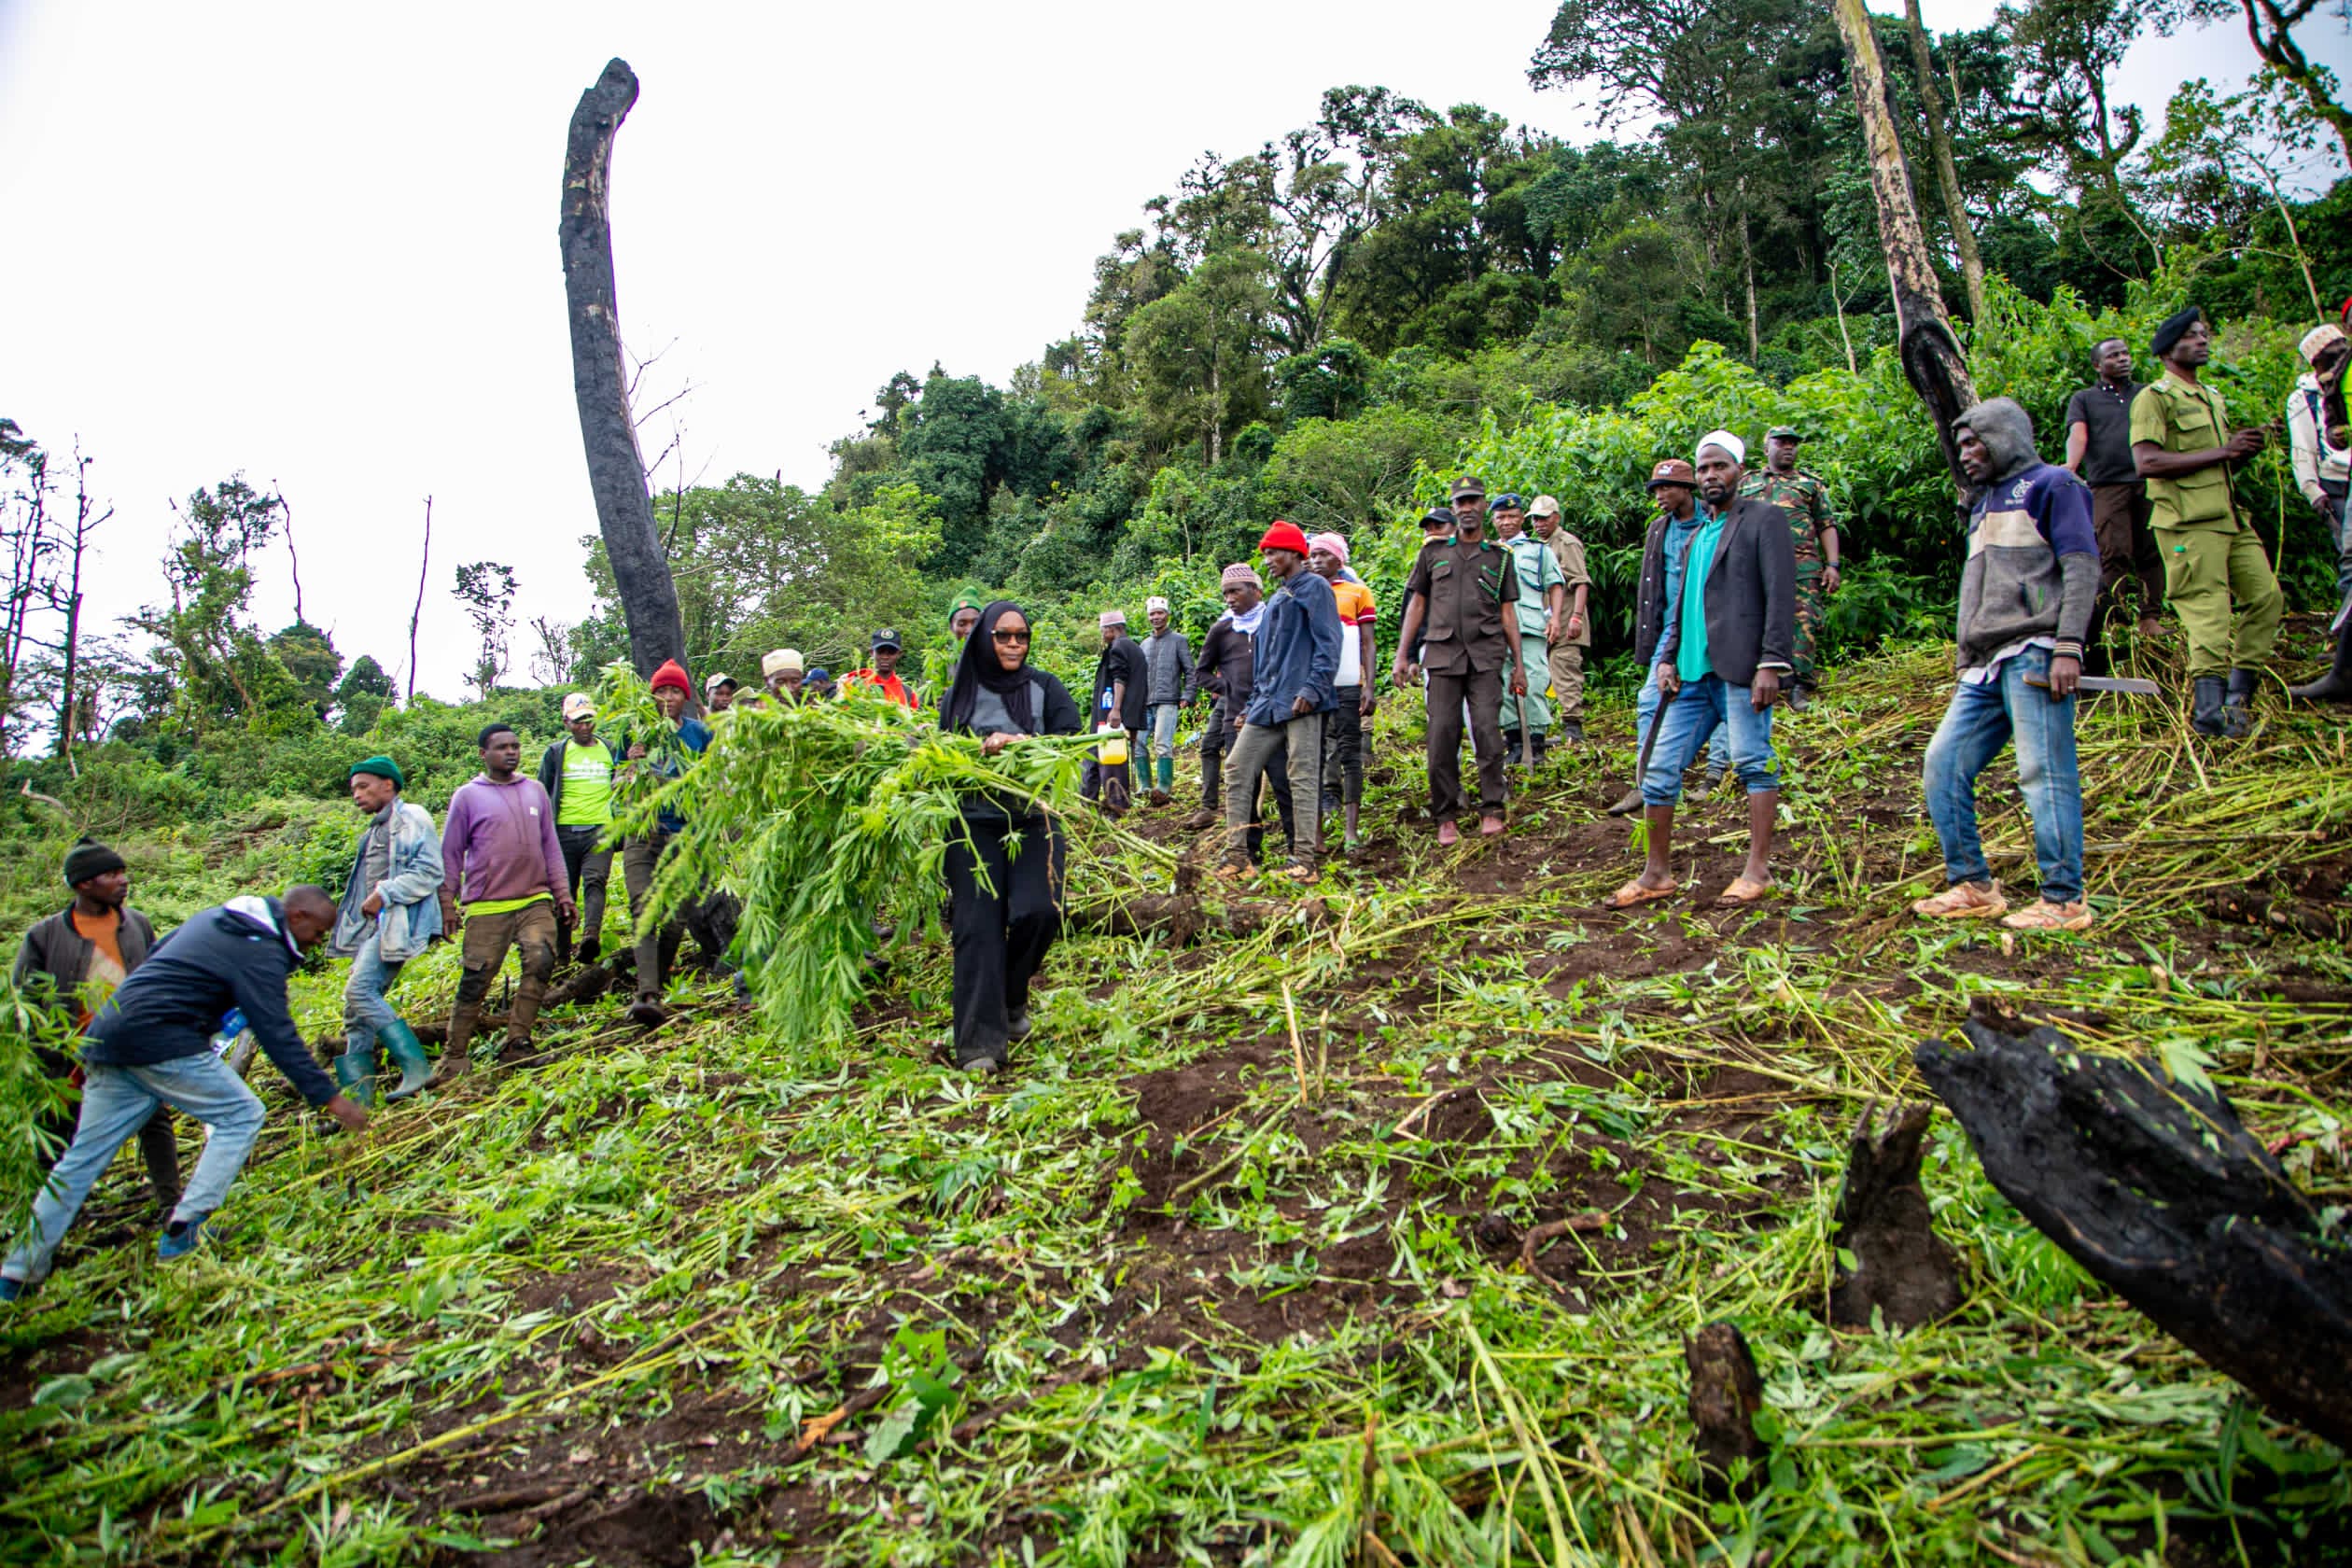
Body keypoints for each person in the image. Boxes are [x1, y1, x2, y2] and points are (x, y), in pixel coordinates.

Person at [1, 887, 366, 1301]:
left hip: (110, 1038)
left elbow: (156, 956)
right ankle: (185, 1229)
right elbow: (276, 1030)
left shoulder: (214, 918)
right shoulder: (260, 949)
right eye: (318, 932)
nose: (317, 942)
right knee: (242, 1114)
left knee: (80, 1161)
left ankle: (17, 1272)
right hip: (162, 1041)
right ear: (297, 916)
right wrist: (329, 1097)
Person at [1913, 399, 2100, 933]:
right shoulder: (1982, 502)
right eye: (1962, 444)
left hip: (2036, 650)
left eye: (1976, 442)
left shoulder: (2054, 486)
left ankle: (2064, 898)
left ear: (2007, 436)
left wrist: (2069, 644)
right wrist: (1965, 652)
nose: (1966, 453)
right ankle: (1972, 884)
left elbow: (2082, 567)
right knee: (1943, 765)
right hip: (1986, 662)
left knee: (2044, 772)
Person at [1610, 432, 1795, 910]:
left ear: (1740, 470)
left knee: (1754, 762)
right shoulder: (1696, 537)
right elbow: (1683, 608)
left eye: (1720, 467)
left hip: (1739, 671)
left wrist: (1772, 664)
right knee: (1659, 770)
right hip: (1692, 677)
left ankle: (1758, 871)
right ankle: (1656, 874)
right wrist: (1668, 656)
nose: (1712, 475)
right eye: (1705, 468)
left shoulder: (1764, 520)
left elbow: (1781, 597)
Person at [937, 601, 1083, 1075]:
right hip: (972, 820)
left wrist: (1025, 744)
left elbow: (1073, 746)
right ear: (984, 637)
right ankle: (979, 1044)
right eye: (1004, 636)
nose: (1015, 644)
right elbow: (942, 756)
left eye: (1022, 636)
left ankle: (1010, 997)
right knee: (977, 926)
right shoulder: (959, 693)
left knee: (1039, 910)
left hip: (1033, 817)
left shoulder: (1045, 688)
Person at [2131, 305, 2283, 737]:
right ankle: (2210, 716)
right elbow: (2147, 461)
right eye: (2192, 336)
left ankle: (2239, 698)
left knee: (2267, 598)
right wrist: (2224, 452)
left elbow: (2212, 463)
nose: (2203, 341)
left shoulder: (2211, 396)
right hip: (2188, 525)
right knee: (2210, 617)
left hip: (2230, 519)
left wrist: (2242, 451)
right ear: (2167, 350)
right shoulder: (2154, 398)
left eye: (2204, 334)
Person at [11, 838, 175, 1217]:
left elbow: (155, 978)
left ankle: (171, 1207)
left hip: (134, 1046)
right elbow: (27, 1003)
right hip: (71, 1054)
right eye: (112, 874)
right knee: (58, 1130)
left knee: (155, 1121)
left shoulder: (137, 924)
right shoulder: (45, 936)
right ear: (83, 883)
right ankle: (43, 1215)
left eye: (123, 872)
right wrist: (46, 1055)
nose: (123, 880)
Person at [439, 722, 573, 1077]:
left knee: (541, 960)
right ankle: (454, 1057)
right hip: (488, 904)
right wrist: (446, 902)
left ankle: (518, 1042)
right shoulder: (467, 796)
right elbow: (451, 852)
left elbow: (550, 845)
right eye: (501, 747)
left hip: (535, 899)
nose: (511, 752)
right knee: (476, 977)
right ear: (484, 754)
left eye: (515, 746)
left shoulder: (535, 791)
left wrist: (562, 893)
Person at [1393, 497, 1526, 844]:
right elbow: (1416, 605)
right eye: (1460, 502)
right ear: (1455, 508)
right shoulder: (1432, 555)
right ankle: (1446, 814)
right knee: (1441, 737)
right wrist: (1402, 654)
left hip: (1485, 658)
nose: (1467, 508)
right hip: (1441, 657)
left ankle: (1493, 807)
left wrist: (1520, 666)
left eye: (1473, 502)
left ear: (1483, 508)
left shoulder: (1500, 558)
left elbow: (1509, 614)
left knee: (1486, 731)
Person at [1220, 523, 1340, 881]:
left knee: (1302, 776)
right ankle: (1237, 856)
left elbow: (1329, 643)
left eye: (1273, 553)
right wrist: (1250, 705)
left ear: (1293, 553)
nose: (1268, 560)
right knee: (1238, 768)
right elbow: (1267, 661)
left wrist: (1313, 689)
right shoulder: (1275, 601)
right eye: (1266, 554)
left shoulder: (1315, 588)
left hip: (1301, 701)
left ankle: (1304, 860)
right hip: (1267, 704)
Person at [1609, 461, 1729, 817]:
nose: (1659, 496)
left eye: (1666, 488)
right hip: (1671, 630)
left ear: (1686, 488)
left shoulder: (1716, 522)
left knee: (1723, 698)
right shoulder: (1658, 529)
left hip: (1713, 626)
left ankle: (1714, 775)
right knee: (1650, 700)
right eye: (1656, 489)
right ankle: (1646, 783)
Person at [328, 757, 443, 1104]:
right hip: (375, 929)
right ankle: (359, 1099)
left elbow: (430, 871)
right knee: (355, 1012)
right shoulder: (375, 829)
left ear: (388, 785)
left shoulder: (411, 817)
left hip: (400, 923)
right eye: (353, 790)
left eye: (364, 786)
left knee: (360, 992)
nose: (357, 795)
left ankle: (417, 1069)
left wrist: (386, 893)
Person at [621, 660, 712, 1025]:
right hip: (643, 833)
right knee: (644, 908)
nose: (669, 697)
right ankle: (648, 992)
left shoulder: (698, 734)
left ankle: (654, 983)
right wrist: (631, 766)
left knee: (676, 918)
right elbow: (618, 784)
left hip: (684, 835)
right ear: (652, 695)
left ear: (685, 697)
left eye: (675, 691)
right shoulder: (636, 734)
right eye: (662, 691)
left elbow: (711, 779)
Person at [2064, 337, 2166, 656]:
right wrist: (2070, 466)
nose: (2122, 359)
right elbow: (2078, 434)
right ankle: (2115, 618)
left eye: (2125, 353)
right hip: (2107, 484)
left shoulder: (2147, 394)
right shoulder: (2085, 399)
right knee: (2113, 550)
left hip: (2149, 480)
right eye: (2113, 356)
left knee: (2152, 549)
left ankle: (2150, 617)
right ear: (2097, 365)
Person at [1738, 427, 1841, 707]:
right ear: (1766, 447)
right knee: (1753, 619)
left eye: (1793, 444)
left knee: (1804, 621)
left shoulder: (1810, 484)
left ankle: (1799, 684)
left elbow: (1826, 524)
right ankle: (1761, 681)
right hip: (1755, 565)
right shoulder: (1746, 482)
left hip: (1801, 564)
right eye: (1781, 443)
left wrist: (1833, 565)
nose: (1788, 448)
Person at [2286, 323, 2352, 701]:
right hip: (2336, 485)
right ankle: (2343, 647)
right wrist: (2313, 492)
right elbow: (2303, 450)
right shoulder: (2305, 397)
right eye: (2333, 349)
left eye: (2343, 345)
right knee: (2348, 563)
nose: (2342, 352)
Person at [1188, 567, 1276, 837]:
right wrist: (1227, 687)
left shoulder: (1274, 621)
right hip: (1236, 717)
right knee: (1242, 783)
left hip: (1274, 715)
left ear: (1256, 592)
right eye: (1225, 593)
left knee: (1283, 781)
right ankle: (1249, 848)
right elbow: (1200, 672)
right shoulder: (1222, 629)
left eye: (1235, 591)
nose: (1229, 598)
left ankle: (1298, 849)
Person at [537, 695, 622, 966]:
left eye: (589, 720)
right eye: (578, 721)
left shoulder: (609, 749)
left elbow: (621, 782)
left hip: (601, 828)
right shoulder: (556, 753)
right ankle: (562, 955)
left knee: (596, 880)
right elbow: (541, 791)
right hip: (563, 832)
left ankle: (590, 936)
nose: (585, 726)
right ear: (566, 723)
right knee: (564, 891)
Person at [1308, 533, 1377, 849]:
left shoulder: (1357, 592)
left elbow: (1367, 642)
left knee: (1350, 753)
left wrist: (1369, 686)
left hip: (1348, 683)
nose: (1317, 559)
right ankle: (1317, 832)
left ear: (1339, 559)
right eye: (1314, 554)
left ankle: (1351, 831)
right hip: (1314, 687)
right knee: (1314, 754)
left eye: (1324, 554)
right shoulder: (1305, 593)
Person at [1491, 493, 1569, 764]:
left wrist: (1556, 618)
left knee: (1534, 683)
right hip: (1497, 631)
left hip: (1531, 627)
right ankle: (1514, 743)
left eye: (1512, 517)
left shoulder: (1538, 550)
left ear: (1521, 518)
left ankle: (1536, 744)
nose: (1507, 522)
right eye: (1501, 517)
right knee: (1503, 685)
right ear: (1493, 520)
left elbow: (1555, 585)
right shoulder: (1489, 553)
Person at [1526, 496, 1592, 746]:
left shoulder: (1566, 543)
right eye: (1535, 519)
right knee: (1545, 674)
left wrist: (1576, 617)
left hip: (1566, 619)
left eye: (1544, 518)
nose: (1539, 524)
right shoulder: (1537, 546)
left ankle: (1573, 728)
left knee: (1565, 671)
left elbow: (1581, 582)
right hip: (1544, 621)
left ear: (1557, 517)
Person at [1084, 610, 1148, 815]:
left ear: (1112, 629)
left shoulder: (1118, 647)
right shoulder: (1135, 648)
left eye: (1103, 630)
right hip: (1125, 713)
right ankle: (1089, 803)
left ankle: (1116, 806)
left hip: (1111, 714)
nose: (1102, 634)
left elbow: (1120, 679)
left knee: (1111, 760)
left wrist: (1116, 710)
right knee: (1096, 756)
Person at [1138, 596, 1195, 807]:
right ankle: (1144, 787)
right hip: (1145, 702)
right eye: (1152, 614)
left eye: (1160, 613)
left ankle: (1163, 788)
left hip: (1168, 700)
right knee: (1138, 743)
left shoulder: (1179, 640)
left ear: (1167, 615)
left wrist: (1188, 695)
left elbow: (1190, 670)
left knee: (1162, 743)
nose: (1156, 617)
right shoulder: (1144, 644)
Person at [845, 631, 921, 708]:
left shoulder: (907, 693)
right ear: (871, 653)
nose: (885, 657)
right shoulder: (854, 683)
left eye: (891, 652)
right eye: (880, 652)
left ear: (899, 654)